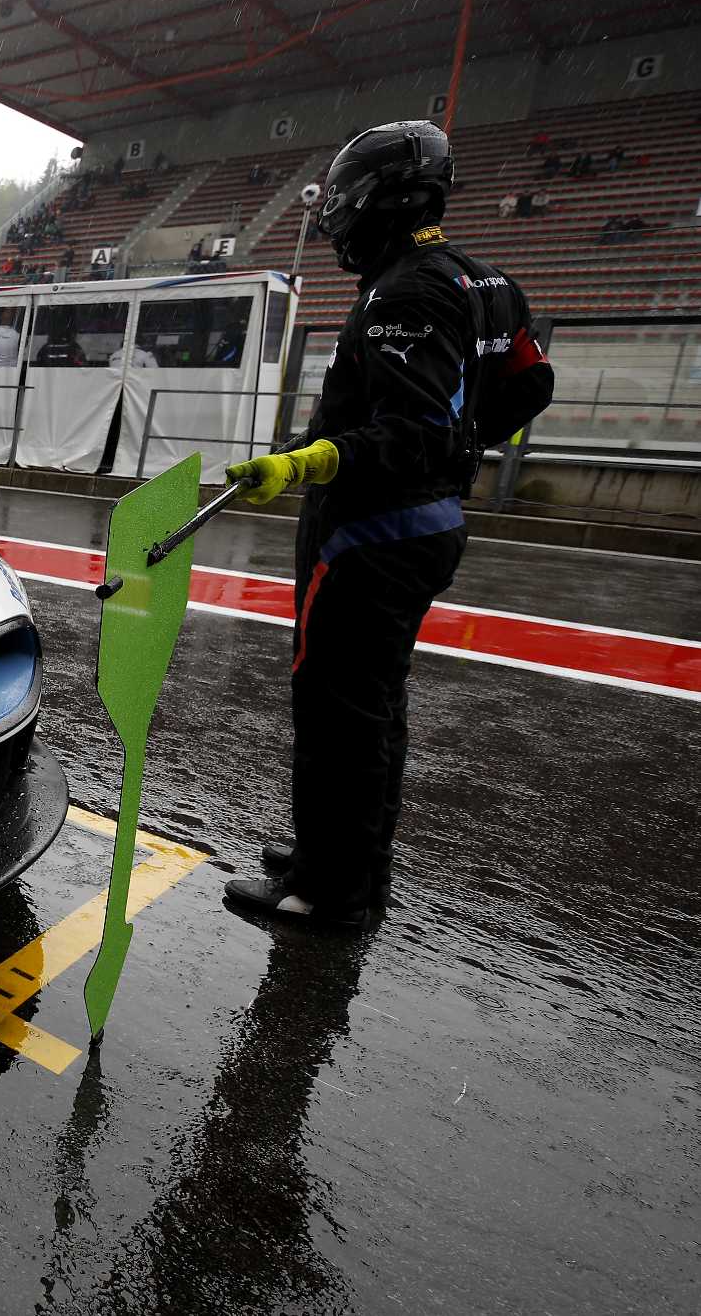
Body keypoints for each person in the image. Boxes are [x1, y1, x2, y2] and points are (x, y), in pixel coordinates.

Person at [221, 122, 551, 928]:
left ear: (383, 199)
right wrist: (462, 445)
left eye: (343, 198)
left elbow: (409, 432)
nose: (334, 213)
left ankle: (325, 890)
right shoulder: (486, 280)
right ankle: (349, 860)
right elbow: (531, 382)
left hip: (369, 533)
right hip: (426, 523)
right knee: (373, 703)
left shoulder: (403, 293)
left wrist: (307, 462)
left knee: (336, 711)